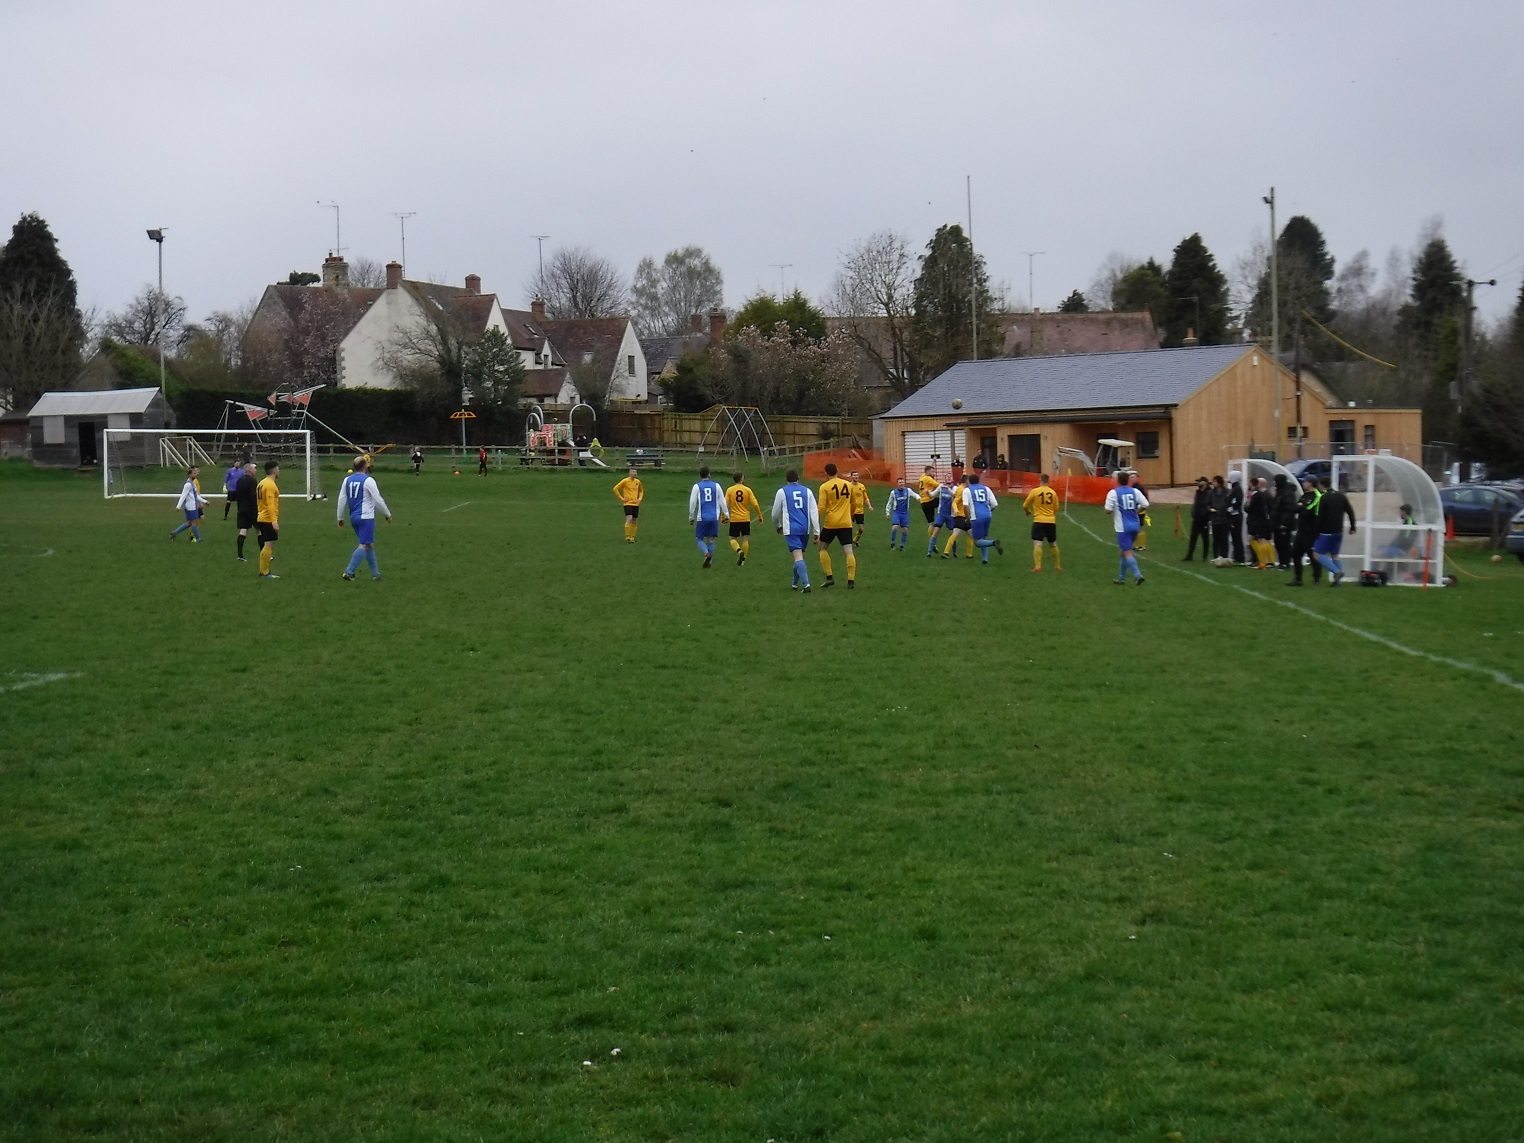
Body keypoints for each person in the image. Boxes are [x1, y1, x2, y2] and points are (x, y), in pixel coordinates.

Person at [338, 454, 392, 581]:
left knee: (368, 544)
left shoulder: (347, 480)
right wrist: (387, 514)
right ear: (365, 466)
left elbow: (341, 499)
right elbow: (378, 500)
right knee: (363, 544)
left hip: (354, 518)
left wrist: (340, 517)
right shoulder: (368, 480)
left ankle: (376, 574)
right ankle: (349, 571)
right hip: (366, 517)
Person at [772, 469, 820, 592]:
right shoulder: (808, 491)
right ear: (798, 478)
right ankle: (794, 583)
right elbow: (814, 512)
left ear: (786, 479)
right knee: (799, 556)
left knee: (798, 557)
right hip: (805, 529)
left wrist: (778, 526)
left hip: (791, 529)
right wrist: (816, 531)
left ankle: (806, 585)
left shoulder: (782, 492)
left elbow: (775, 514)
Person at [1103, 471, 1149, 585]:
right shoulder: (1135, 491)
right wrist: (1136, 511)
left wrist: (1111, 510)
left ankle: (1138, 575)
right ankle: (1121, 578)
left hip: (1122, 528)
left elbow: (1108, 510)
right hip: (1135, 525)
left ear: (1118, 481)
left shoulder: (1113, 493)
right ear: (1128, 481)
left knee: (1127, 552)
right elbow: (1145, 504)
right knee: (1123, 551)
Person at [817, 462, 858, 587]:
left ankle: (829, 577)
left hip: (831, 523)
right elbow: (854, 503)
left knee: (822, 548)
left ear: (826, 473)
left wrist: (816, 523)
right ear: (837, 470)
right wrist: (851, 516)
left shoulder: (824, 487)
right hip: (846, 522)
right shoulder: (848, 484)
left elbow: (821, 507)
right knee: (849, 551)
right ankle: (851, 580)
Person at [1312, 475, 1358, 586]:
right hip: (1338, 531)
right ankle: (1338, 583)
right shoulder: (1341, 496)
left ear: (1321, 485)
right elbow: (1350, 511)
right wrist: (1352, 526)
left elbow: (1321, 516)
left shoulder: (1324, 498)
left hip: (1326, 532)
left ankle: (1336, 572)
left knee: (1317, 554)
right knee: (1335, 555)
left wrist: (1316, 531)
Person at [688, 465, 729, 568]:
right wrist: (726, 514)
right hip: (714, 517)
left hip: (702, 517)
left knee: (699, 539)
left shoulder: (697, 486)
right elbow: (722, 501)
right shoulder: (716, 486)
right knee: (711, 540)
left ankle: (706, 554)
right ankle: (709, 562)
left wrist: (691, 517)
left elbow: (692, 502)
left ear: (700, 475)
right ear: (709, 474)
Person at [1286, 477, 1324, 587]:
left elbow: (1308, 511)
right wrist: (1301, 507)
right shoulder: (1304, 495)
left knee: (1313, 555)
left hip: (1311, 531)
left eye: (1305, 482)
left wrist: (1301, 507)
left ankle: (1316, 578)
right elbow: (1295, 508)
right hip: (1301, 530)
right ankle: (1298, 578)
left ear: (1310, 483)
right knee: (1295, 554)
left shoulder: (1317, 496)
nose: (1303, 483)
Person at [1022, 473, 1062, 571]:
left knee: (1038, 543)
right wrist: (1050, 515)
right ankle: (1057, 566)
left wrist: (1027, 511)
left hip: (1038, 521)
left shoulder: (1035, 491)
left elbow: (1025, 505)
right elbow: (1056, 508)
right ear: (1048, 481)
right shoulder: (1053, 493)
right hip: (1051, 522)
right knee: (1053, 544)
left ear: (1040, 480)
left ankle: (1038, 566)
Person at [961, 473, 1003, 564]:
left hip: (976, 517)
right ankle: (985, 559)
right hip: (987, 515)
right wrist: (989, 511)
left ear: (969, 481)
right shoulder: (986, 488)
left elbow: (965, 506)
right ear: (979, 481)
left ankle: (993, 543)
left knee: (977, 542)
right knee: (983, 537)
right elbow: (994, 504)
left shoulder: (967, 490)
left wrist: (967, 517)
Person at [726, 471, 764, 565]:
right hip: (745, 518)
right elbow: (755, 504)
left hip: (735, 518)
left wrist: (723, 516)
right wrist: (759, 516)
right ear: (741, 479)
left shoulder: (730, 490)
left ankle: (739, 551)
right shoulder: (747, 490)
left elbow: (725, 504)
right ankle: (743, 560)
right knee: (745, 539)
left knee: (732, 539)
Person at [255, 460, 281, 579]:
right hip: (267, 518)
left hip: (261, 516)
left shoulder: (261, 483)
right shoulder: (270, 485)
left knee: (267, 544)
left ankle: (263, 571)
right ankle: (264, 572)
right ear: (274, 470)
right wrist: (274, 521)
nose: (279, 471)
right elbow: (270, 504)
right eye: (278, 468)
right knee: (268, 544)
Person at [170, 466, 208, 543]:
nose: (196, 474)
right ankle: (199, 539)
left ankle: (174, 533)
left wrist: (205, 501)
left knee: (189, 523)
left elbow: (196, 495)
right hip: (191, 506)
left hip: (193, 506)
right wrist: (178, 506)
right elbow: (183, 495)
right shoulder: (188, 485)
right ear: (190, 475)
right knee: (194, 522)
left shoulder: (192, 484)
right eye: (194, 473)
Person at [1245, 476, 1276, 568]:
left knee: (1261, 540)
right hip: (1260, 520)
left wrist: (1247, 505)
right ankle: (1267, 561)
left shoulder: (1257, 495)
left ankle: (1264, 561)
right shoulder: (1260, 494)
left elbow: (1250, 508)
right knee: (1260, 540)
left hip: (1258, 521)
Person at [942, 475, 975, 559]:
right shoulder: (961, 490)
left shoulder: (963, 489)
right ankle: (946, 552)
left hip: (965, 516)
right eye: (969, 481)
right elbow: (954, 502)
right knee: (955, 534)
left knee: (971, 534)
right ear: (967, 481)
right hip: (960, 516)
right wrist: (956, 510)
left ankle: (969, 554)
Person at [1272, 473, 1299, 568]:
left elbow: (1289, 509)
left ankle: (1285, 563)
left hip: (1283, 524)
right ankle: (1281, 562)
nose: (1274, 484)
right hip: (1277, 522)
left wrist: (1284, 523)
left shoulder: (1288, 493)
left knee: (1284, 543)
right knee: (1278, 543)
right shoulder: (1280, 492)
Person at [233, 461, 258, 561]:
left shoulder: (239, 480)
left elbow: (237, 495)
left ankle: (240, 555)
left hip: (242, 508)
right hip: (251, 509)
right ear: (250, 470)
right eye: (254, 469)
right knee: (259, 530)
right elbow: (253, 496)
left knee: (243, 530)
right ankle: (265, 553)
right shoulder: (253, 481)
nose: (255, 470)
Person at [926, 478, 957, 557]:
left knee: (952, 534)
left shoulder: (954, 488)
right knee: (935, 532)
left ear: (952, 480)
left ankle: (954, 553)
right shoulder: (941, 487)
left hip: (950, 515)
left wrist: (948, 489)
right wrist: (928, 493)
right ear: (945, 479)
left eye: (950, 476)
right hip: (941, 514)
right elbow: (932, 495)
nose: (949, 478)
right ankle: (929, 552)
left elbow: (954, 495)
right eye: (947, 476)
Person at [613, 467, 644, 543]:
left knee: (634, 520)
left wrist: (640, 498)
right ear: (630, 473)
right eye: (633, 472)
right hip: (628, 504)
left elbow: (641, 491)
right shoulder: (625, 481)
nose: (634, 473)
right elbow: (615, 488)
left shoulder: (637, 481)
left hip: (635, 504)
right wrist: (622, 498)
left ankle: (632, 537)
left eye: (635, 472)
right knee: (629, 519)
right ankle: (627, 537)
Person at [1183, 476, 1211, 561]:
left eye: (1200, 481)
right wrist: (1193, 512)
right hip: (1196, 518)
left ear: (1205, 482)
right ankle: (1189, 555)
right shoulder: (1198, 492)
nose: (1198, 483)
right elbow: (1196, 504)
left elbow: (1207, 504)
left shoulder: (1209, 492)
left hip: (1204, 519)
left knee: (1205, 538)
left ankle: (1205, 556)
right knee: (1193, 537)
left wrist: (1206, 514)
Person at [884, 476, 915, 551]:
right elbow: (889, 503)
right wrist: (887, 512)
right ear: (897, 484)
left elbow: (915, 495)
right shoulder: (893, 492)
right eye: (900, 482)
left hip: (905, 513)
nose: (901, 484)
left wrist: (919, 498)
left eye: (902, 482)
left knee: (905, 530)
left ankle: (902, 545)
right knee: (895, 527)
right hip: (897, 512)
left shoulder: (908, 490)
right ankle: (892, 543)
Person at [1208, 475, 1230, 564]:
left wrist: (1221, 510)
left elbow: (1227, 503)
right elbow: (1208, 504)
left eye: (1214, 481)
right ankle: (1216, 556)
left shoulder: (1227, 492)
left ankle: (1224, 556)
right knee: (1215, 539)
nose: (1213, 483)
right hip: (1215, 519)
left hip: (1224, 519)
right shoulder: (1211, 493)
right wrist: (1210, 509)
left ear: (1219, 483)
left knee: (1224, 539)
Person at [848, 469, 872, 545]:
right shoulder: (848, 486)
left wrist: (869, 506)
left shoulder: (861, 486)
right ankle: (848, 541)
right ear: (851, 477)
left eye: (857, 475)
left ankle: (855, 540)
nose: (856, 477)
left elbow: (865, 497)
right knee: (848, 527)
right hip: (850, 510)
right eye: (854, 475)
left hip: (859, 511)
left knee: (861, 529)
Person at [915, 464, 941, 535]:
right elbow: (939, 485)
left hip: (923, 503)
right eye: (932, 472)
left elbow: (928, 468)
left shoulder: (922, 477)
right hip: (929, 501)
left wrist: (933, 462)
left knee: (931, 523)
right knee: (944, 501)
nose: (934, 473)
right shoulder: (928, 479)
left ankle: (930, 538)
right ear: (928, 472)